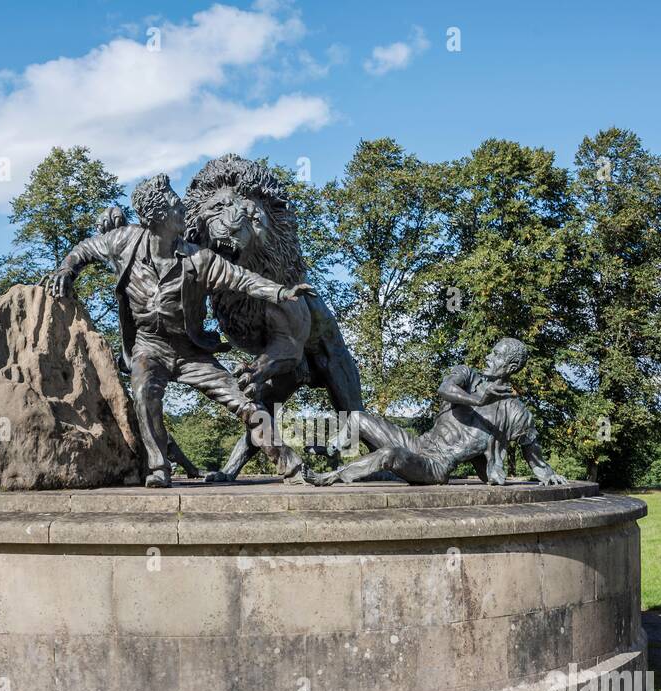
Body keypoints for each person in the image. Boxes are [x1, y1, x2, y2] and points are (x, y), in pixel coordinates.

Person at [47, 174, 312, 487]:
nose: (183, 209)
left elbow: (241, 278)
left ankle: (290, 465)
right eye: (175, 206)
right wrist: (66, 269)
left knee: (243, 401)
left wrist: (281, 293)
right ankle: (159, 468)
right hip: (149, 345)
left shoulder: (198, 258)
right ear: (158, 218)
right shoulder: (124, 241)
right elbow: (85, 249)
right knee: (145, 393)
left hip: (190, 350)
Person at [307, 338, 566, 487]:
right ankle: (332, 448)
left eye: (495, 355)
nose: (488, 357)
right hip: (418, 444)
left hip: (436, 465)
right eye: (491, 351)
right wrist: (477, 399)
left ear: (509, 366)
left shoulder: (515, 412)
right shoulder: (468, 376)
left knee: (389, 455)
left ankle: (333, 477)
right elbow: (445, 388)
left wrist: (546, 472)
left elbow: (530, 445)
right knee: (356, 418)